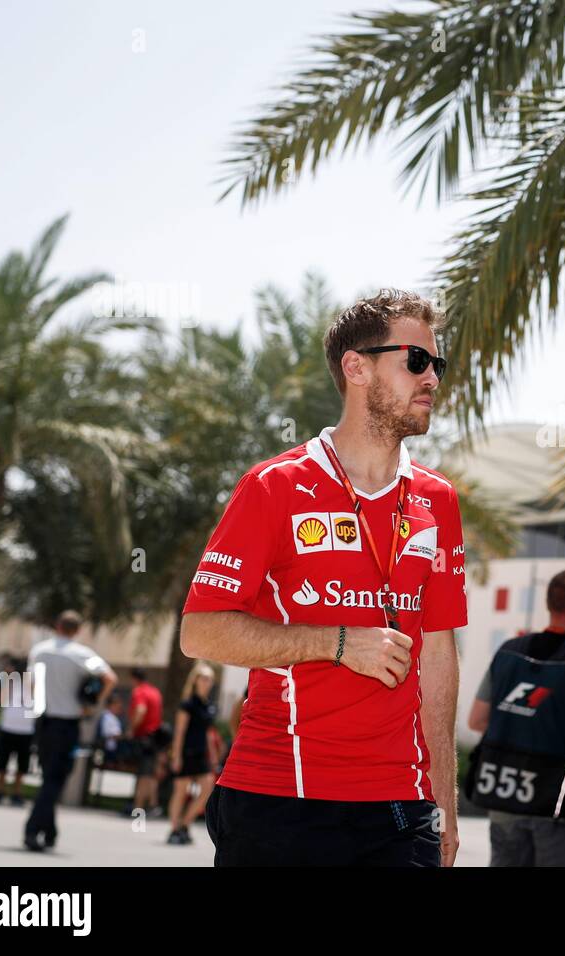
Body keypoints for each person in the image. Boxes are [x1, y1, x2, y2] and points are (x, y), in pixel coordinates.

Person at [180, 291, 468, 867]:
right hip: (277, 800)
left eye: (437, 364)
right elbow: (200, 633)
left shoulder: (438, 501)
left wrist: (445, 804)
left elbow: (438, 655)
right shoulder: (274, 486)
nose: (431, 378)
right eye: (416, 360)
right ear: (356, 367)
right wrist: (335, 643)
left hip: (398, 809)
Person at [466, 570, 565, 867]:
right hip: (560, 803)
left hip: (504, 796)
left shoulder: (508, 653)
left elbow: (477, 720)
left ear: (549, 604)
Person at [23, 611, 117, 852]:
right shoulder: (81, 654)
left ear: (57, 626)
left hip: (44, 723)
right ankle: (32, 831)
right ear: (77, 630)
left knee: (48, 778)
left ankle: (50, 831)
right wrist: (94, 704)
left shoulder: (40, 650)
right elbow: (110, 678)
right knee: (55, 780)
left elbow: (32, 684)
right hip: (67, 726)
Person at [166, 662, 219, 845]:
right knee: (181, 791)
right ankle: (174, 830)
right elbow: (179, 732)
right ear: (195, 680)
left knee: (207, 788)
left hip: (201, 753)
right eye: (204, 678)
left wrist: (212, 754)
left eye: (210, 679)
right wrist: (176, 756)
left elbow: (207, 733)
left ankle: (184, 824)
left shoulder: (208, 706)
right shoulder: (187, 704)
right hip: (186, 752)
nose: (208, 682)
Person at [0, 655, 35, 806]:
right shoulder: (9, 682)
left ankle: (17, 792)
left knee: (22, 765)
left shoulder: (33, 683)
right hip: (8, 727)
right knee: (2, 762)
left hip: (26, 730)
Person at [127, 667, 163, 815]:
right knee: (150, 772)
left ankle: (138, 808)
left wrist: (131, 729)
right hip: (155, 737)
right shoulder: (155, 692)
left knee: (143, 774)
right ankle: (153, 805)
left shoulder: (139, 692)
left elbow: (141, 710)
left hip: (144, 737)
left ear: (134, 679)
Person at [98, 695, 124, 761]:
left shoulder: (112, 716)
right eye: (118, 706)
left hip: (111, 748)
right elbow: (106, 733)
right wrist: (122, 737)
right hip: (106, 749)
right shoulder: (107, 716)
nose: (119, 709)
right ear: (112, 705)